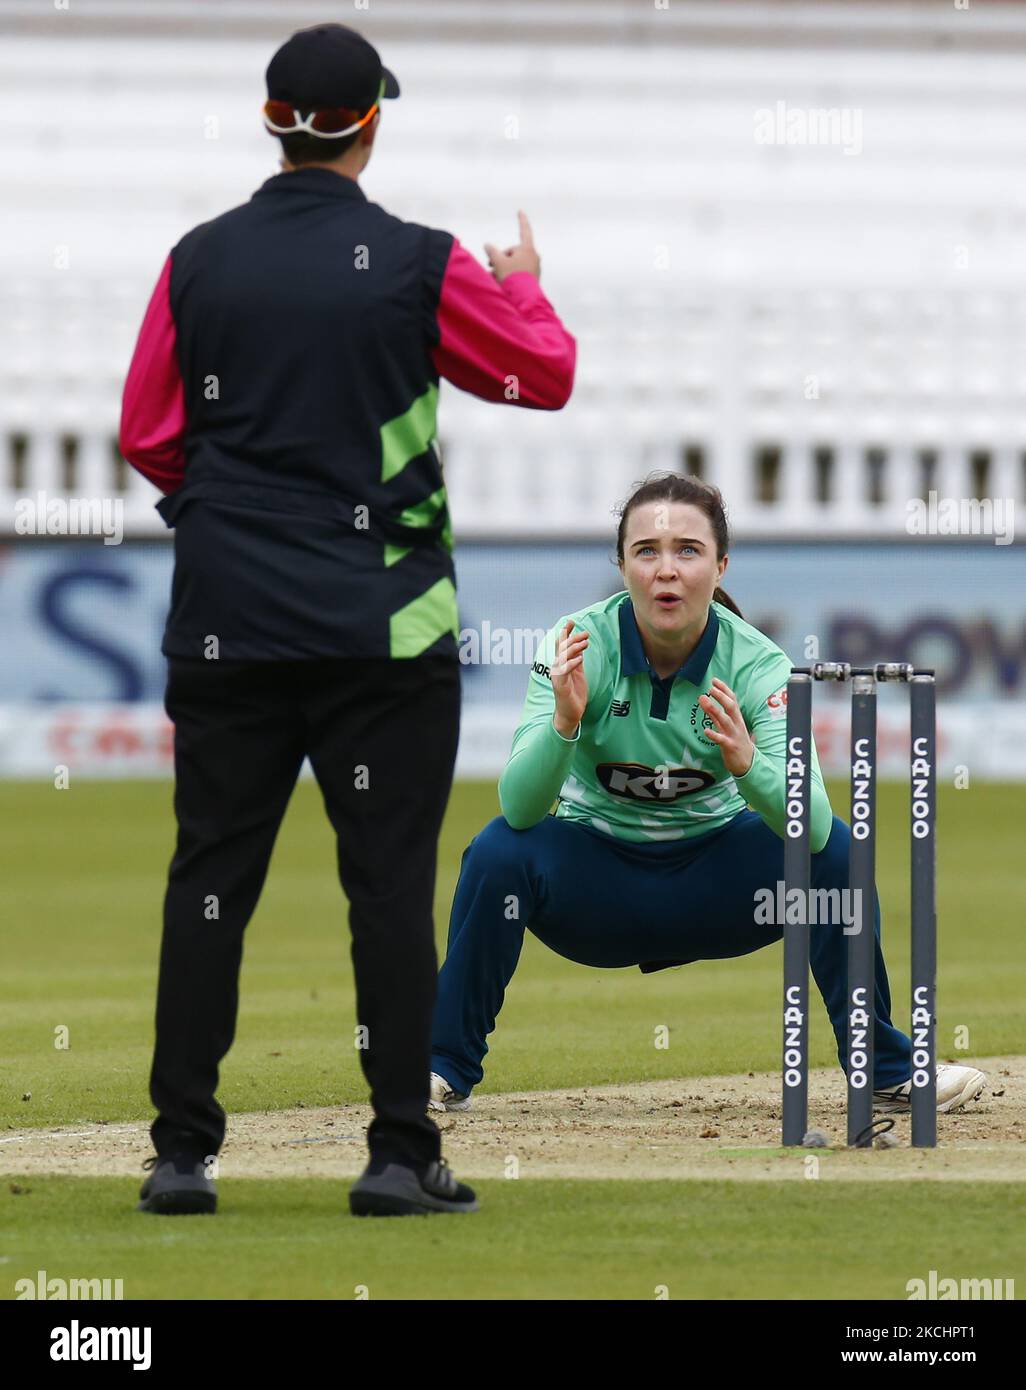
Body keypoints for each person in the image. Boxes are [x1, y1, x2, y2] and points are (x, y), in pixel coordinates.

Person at [118, 22, 576, 1217]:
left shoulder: (198, 260)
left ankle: (181, 1153)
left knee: (211, 878)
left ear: (272, 122)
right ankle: (396, 1151)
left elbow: (149, 432)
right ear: (372, 123)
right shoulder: (418, 262)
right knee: (386, 891)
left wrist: (227, 518)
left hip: (228, 624)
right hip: (384, 634)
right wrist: (523, 286)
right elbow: (543, 373)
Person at [427, 472, 987, 1122]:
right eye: (646, 551)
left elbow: (816, 829)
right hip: (596, 892)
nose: (667, 570)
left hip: (721, 889)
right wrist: (565, 723)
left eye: (688, 550)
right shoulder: (573, 644)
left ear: (721, 565)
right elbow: (522, 808)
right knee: (498, 851)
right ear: (622, 564)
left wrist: (749, 767)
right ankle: (442, 1070)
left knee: (836, 854)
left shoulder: (757, 663)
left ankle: (886, 1069)